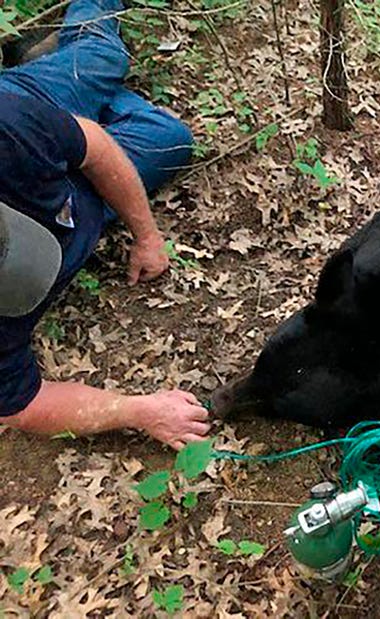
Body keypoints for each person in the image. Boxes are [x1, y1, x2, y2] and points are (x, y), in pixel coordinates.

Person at [0, 0, 210, 449]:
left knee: (101, 58)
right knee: (167, 139)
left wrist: (148, 237)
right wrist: (139, 411)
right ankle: (73, 85)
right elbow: (23, 405)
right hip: (66, 176)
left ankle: (87, 25)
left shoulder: (8, 132)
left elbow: (93, 146)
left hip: (31, 111)